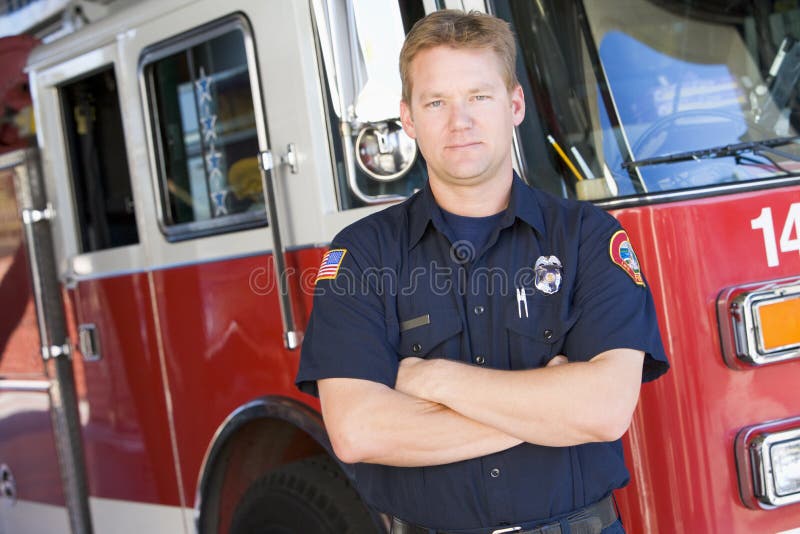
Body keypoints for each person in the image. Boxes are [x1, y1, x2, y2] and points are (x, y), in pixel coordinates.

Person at [296, 9, 669, 534]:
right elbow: (359, 432)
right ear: (408, 118)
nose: (459, 121)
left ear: (514, 104)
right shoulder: (361, 255)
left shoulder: (589, 237)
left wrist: (431, 379)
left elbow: (604, 411)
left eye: (478, 96)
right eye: (436, 102)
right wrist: (550, 405)